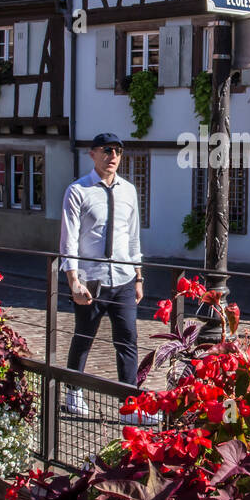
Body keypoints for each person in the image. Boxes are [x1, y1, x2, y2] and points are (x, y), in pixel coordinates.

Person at [59, 132, 156, 423]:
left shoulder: (129, 190)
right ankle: (73, 392)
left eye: (118, 151)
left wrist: (139, 276)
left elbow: (134, 236)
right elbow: (69, 239)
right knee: (84, 336)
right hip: (91, 279)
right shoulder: (78, 190)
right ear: (93, 154)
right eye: (107, 150)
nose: (113, 156)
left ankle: (130, 407)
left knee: (128, 342)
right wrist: (73, 280)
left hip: (124, 278)